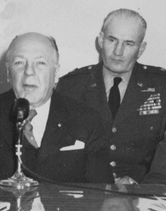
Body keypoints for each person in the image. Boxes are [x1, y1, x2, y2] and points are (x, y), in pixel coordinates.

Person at [0, 32, 113, 184]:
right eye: (19, 63)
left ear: (56, 73)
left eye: (40, 63)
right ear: (8, 73)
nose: (29, 72)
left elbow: (102, 194)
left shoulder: (87, 119)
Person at [58, 9, 166, 185]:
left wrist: (137, 179)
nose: (118, 51)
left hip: (142, 190)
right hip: (87, 190)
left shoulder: (161, 86)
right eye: (111, 40)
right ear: (100, 40)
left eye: (129, 43)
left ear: (141, 49)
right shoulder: (71, 86)